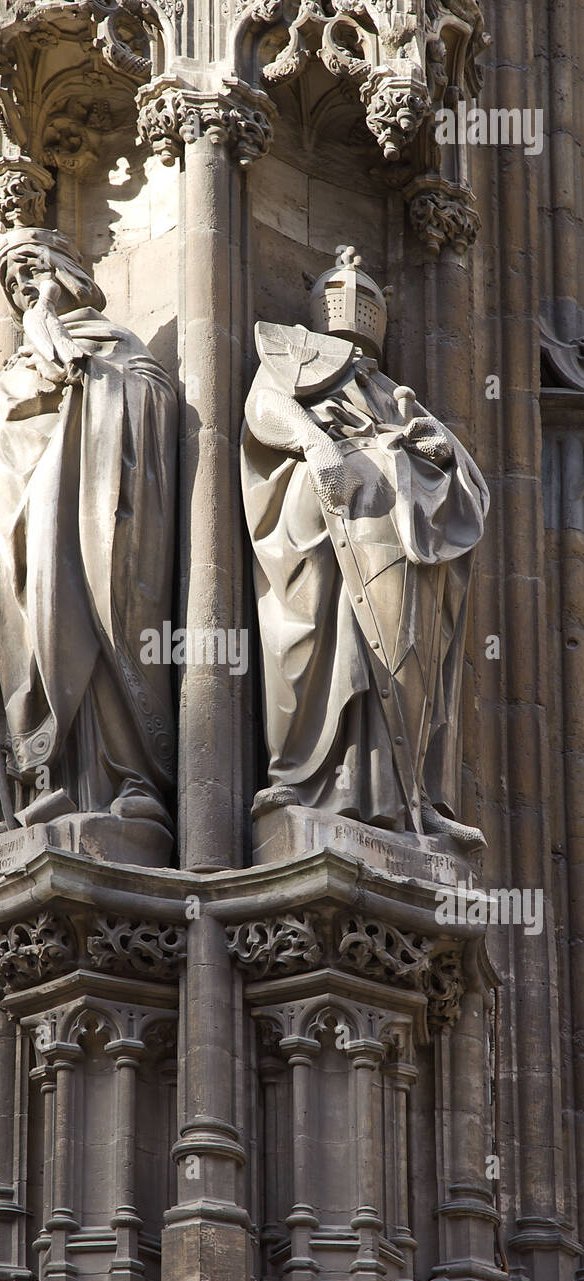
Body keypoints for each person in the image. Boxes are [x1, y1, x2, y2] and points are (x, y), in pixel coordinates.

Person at [0, 227, 176, 846]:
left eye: (34, 270)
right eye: (11, 282)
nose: (24, 286)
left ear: (71, 274)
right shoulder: (3, 382)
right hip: (14, 549)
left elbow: (149, 414)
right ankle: (46, 786)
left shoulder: (118, 351)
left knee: (96, 630)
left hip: (94, 532)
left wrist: (74, 368)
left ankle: (125, 786)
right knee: (33, 643)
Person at [241, 247, 489, 845]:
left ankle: (410, 799)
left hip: (396, 537)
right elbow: (262, 409)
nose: (352, 305)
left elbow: (468, 477)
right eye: (338, 292)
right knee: (331, 642)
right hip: (328, 520)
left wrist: (437, 452)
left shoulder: (391, 393)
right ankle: (309, 782)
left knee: (410, 646)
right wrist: (313, 440)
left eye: (367, 297)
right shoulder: (290, 354)